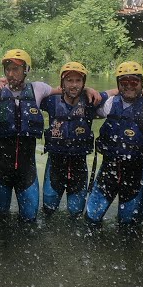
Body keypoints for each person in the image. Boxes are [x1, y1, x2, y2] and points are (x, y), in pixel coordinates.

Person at [84, 61, 143, 228]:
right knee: (91, 220)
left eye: (134, 81)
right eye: (124, 82)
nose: (129, 86)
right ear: (118, 84)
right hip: (108, 171)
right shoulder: (111, 103)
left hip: (135, 175)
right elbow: (87, 106)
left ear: (141, 83)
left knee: (126, 226)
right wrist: (87, 89)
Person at [0, 49, 50, 221]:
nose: (10, 74)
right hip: (1, 169)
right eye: (8, 69)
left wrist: (89, 89)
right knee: (0, 220)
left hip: (26, 170)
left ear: (26, 70)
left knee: (30, 220)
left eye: (16, 69)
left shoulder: (38, 89)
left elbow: (66, 90)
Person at [41, 62, 106, 217]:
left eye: (78, 81)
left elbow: (119, 91)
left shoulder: (90, 102)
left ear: (83, 83)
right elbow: (28, 92)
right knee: (48, 212)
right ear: (62, 83)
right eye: (69, 80)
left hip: (79, 168)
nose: (74, 85)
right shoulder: (50, 101)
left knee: (76, 214)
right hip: (55, 165)